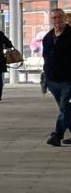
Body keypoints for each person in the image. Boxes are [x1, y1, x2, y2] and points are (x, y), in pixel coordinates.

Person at [42, 8, 71, 145]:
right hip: (52, 78)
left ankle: (57, 135)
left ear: (64, 18)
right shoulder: (48, 37)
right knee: (64, 108)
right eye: (54, 18)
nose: (57, 20)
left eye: (59, 17)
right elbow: (46, 57)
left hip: (68, 78)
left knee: (65, 106)